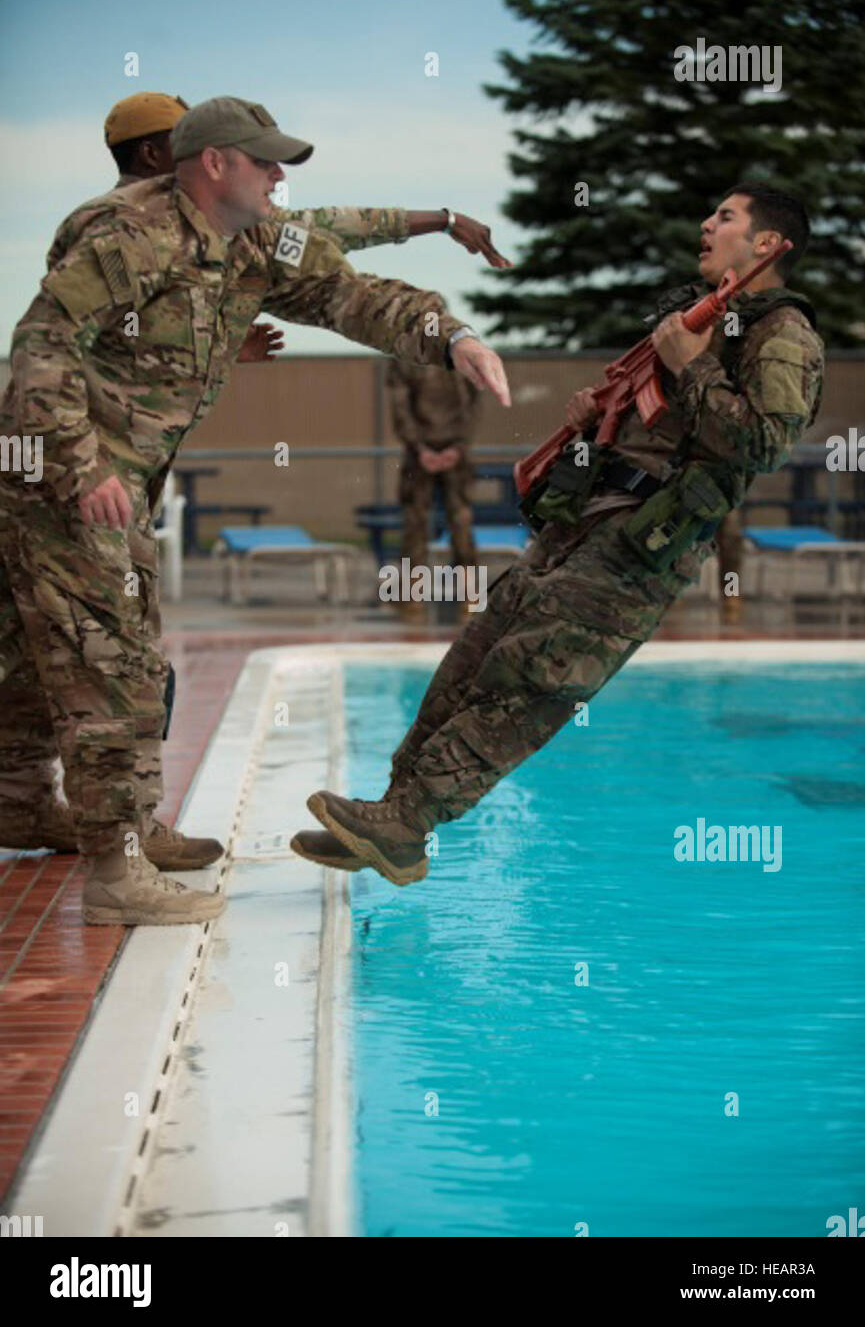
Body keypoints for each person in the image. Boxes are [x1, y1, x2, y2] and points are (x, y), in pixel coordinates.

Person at [0, 95, 511, 925]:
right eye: (266, 162)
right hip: (61, 479)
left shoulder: (260, 239)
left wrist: (450, 336)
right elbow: (40, 348)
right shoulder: (130, 236)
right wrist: (78, 467)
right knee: (114, 660)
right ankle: (117, 866)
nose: (280, 177)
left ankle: (27, 804)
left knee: (32, 647)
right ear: (212, 164)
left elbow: (354, 293)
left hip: (114, 477)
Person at [293, 184, 824, 885]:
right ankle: (392, 814)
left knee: (531, 678)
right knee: (472, 663)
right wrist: (593, 421)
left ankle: (409, 821)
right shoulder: (702, 316)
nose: (705, 223)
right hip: (582, 525)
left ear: (766, 244)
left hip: (639, 549)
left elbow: (759, 444)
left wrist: (688, 362)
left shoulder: (781, 333)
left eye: (724, 216)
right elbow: (662, 423)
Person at [386, 356, 481, 624]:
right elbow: (472, 405)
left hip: (422, 453)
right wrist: (459, 446)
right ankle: (469, 598)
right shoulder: (460, 352)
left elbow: (400, 406)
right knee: (461, 519)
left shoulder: (405, 357)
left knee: (417, 523)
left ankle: (413, 600)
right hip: (449, 450)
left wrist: (419, 447)